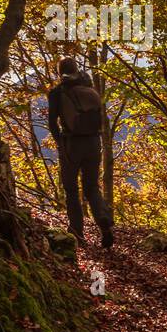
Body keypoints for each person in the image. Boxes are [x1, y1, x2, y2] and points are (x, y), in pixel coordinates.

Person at [47, 57, 115, 248]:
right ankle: (103, 220)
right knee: (92, 186)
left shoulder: (57, 93)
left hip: (72, 143)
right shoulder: (91, 90)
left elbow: (52, 122)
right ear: (77, 70)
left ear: (60, 72)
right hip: (94, 142)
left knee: (71, 189)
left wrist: (59, 142)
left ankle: (77, 233)